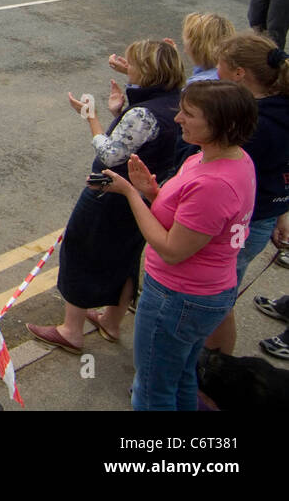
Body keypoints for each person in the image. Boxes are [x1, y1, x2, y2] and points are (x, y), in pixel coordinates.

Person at [99, 81, 257, 410]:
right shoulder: (224, 159)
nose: (178, 118)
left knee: (152, 389)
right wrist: (153, 193)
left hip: (179, 299)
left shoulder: (215, 183)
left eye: (190, 114)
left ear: (223, 124)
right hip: (201, 295)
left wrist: (129, 193)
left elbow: (172, 249)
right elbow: (191, 222)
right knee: (184, 375)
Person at [26, 40, 184, 356]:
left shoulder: (142, 114)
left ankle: (71, 330)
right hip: (146, 197)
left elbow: (111, 154)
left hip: (110, 192)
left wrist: (91, 117)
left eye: (134, 63)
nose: (128, 66)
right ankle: (111, 322)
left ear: (148, 72)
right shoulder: (176, 103)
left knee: (81, 249)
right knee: (126, 255)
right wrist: (119, 112)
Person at [190, 34, 289, 356]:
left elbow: (227, 175)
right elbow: (277, 172)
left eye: (220, 64)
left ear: (239, 74)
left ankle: (207, 361)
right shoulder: (279, 111)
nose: (214, 70)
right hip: (264, 214)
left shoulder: (253, 124)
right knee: (223, 292)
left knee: (213, 297)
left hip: (241, 222)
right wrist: (282, 210)